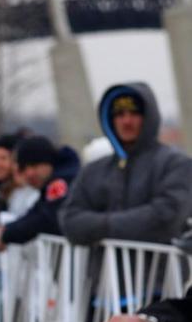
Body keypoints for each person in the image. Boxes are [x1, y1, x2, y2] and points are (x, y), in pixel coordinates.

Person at [60, 82, 192, 247]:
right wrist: (123, 225)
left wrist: (99, 225)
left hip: (160, 271)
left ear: (149, 117)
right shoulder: (93, 171)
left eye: (134, 113)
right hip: (103, 272)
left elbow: (166, 218)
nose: (127, 121)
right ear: (109, 119)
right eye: (119, 114)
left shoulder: (176, 164)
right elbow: (70, 221)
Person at [0, 136, 80, 251]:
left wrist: (7, 234)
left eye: (33, 166)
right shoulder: (59, 178)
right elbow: (39, 211)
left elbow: (46, 218)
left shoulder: (61, 182)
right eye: (23, 169)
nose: (28, 174)